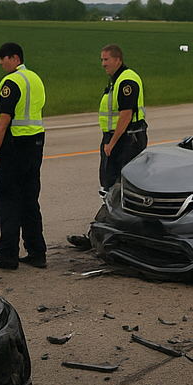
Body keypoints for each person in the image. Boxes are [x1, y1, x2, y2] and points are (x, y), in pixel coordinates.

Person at [68, 44, 146, 249]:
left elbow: (126, 115)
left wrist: (111, 143)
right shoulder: (117, 80)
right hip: (119, 138)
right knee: (110, 187)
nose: (103, 64)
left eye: (106, 60)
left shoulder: (126, 80)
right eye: (101, 60)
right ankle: (104, 234)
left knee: (116, 188)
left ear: (117, 60)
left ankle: (114, 236)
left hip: (125, 140)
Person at [0, 42, 47, 270]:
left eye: (3, 57)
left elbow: (3, 122)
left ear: (15, 58)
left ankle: (8, 255)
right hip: (35, 144)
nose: (0, 62)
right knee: (30, 200)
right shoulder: (35, 78)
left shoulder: (11, 82)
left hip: (14, 146)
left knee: (8, 200)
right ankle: (37, 252)